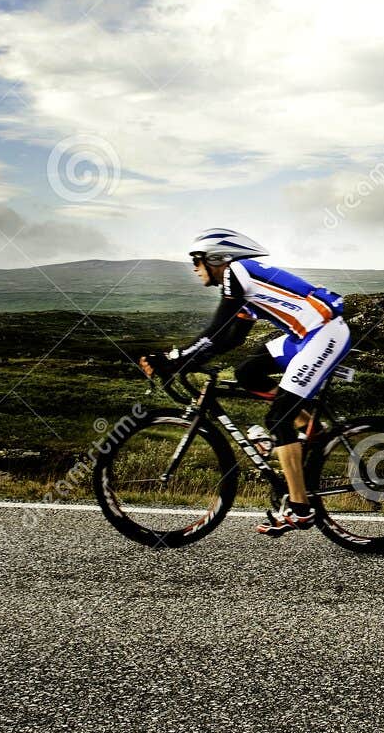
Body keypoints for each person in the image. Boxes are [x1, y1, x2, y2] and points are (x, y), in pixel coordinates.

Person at [139, 228, 351, 536]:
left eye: (197, 262)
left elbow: (215, 328)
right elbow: (229, 339)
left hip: (324, 334)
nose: (195, 269)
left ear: (217, 258)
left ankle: (301, 509)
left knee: (278, 418)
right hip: (303, 337)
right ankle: (309, 428)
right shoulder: (246, 286)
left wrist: (175, 359)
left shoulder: (237, 272)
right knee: (247, 372)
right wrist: (184, 362)